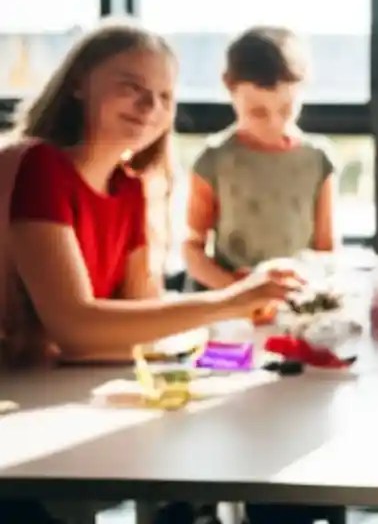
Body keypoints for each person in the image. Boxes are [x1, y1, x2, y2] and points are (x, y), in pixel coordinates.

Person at [0, 19, 295, 370]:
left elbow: (141, 322)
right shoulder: (39, 165)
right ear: (79, 82)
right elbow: (74, 328)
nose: (150, 106)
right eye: (131, 86)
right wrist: (230, 301)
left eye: (165, 96)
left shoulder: (132, 190)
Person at [183, 26, 339, 292]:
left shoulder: (318, 159)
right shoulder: (214, 160)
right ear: (229, 90)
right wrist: (235, 292)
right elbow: (192, 248)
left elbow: (326, 249)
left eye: (286, 110)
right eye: (257, 112)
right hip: (229, 305)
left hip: (295, 302)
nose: (274, 122)